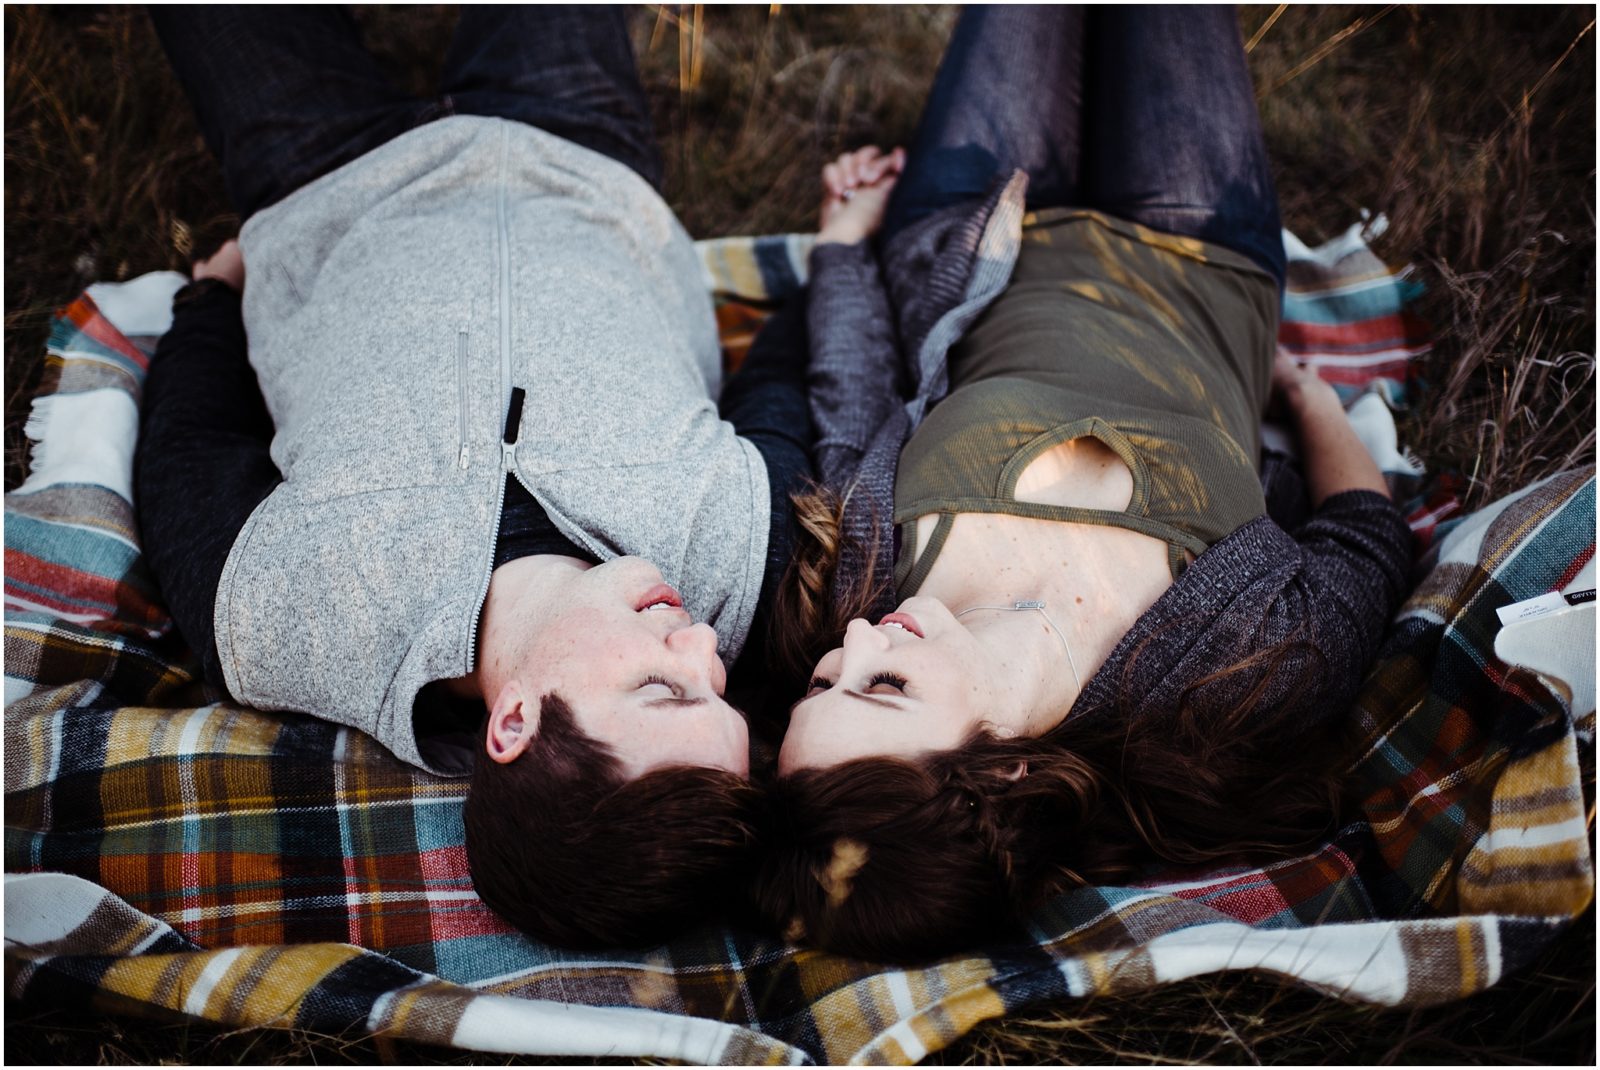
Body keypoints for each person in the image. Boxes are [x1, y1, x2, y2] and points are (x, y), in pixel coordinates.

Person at [134, 6, 816, 949]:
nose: (704, 648)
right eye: (720, 690)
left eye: (667, 689)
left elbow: (190, 447)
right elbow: (784, 388)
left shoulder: (285, 623)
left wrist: (211, 300)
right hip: (576, 157)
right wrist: (840, 256)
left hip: (326, 181)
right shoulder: (745, 558)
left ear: (516, 725)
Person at [755, 5, 1414, 962]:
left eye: (825, 679)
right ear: (1006, 766)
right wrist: (1308, 398)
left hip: (975, 218)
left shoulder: (867, 569)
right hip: (1206, 254)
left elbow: (849, 391)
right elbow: (1364, 539)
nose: (855, 640)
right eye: (882, 686)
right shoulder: (1240, 673)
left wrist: (845, 244)